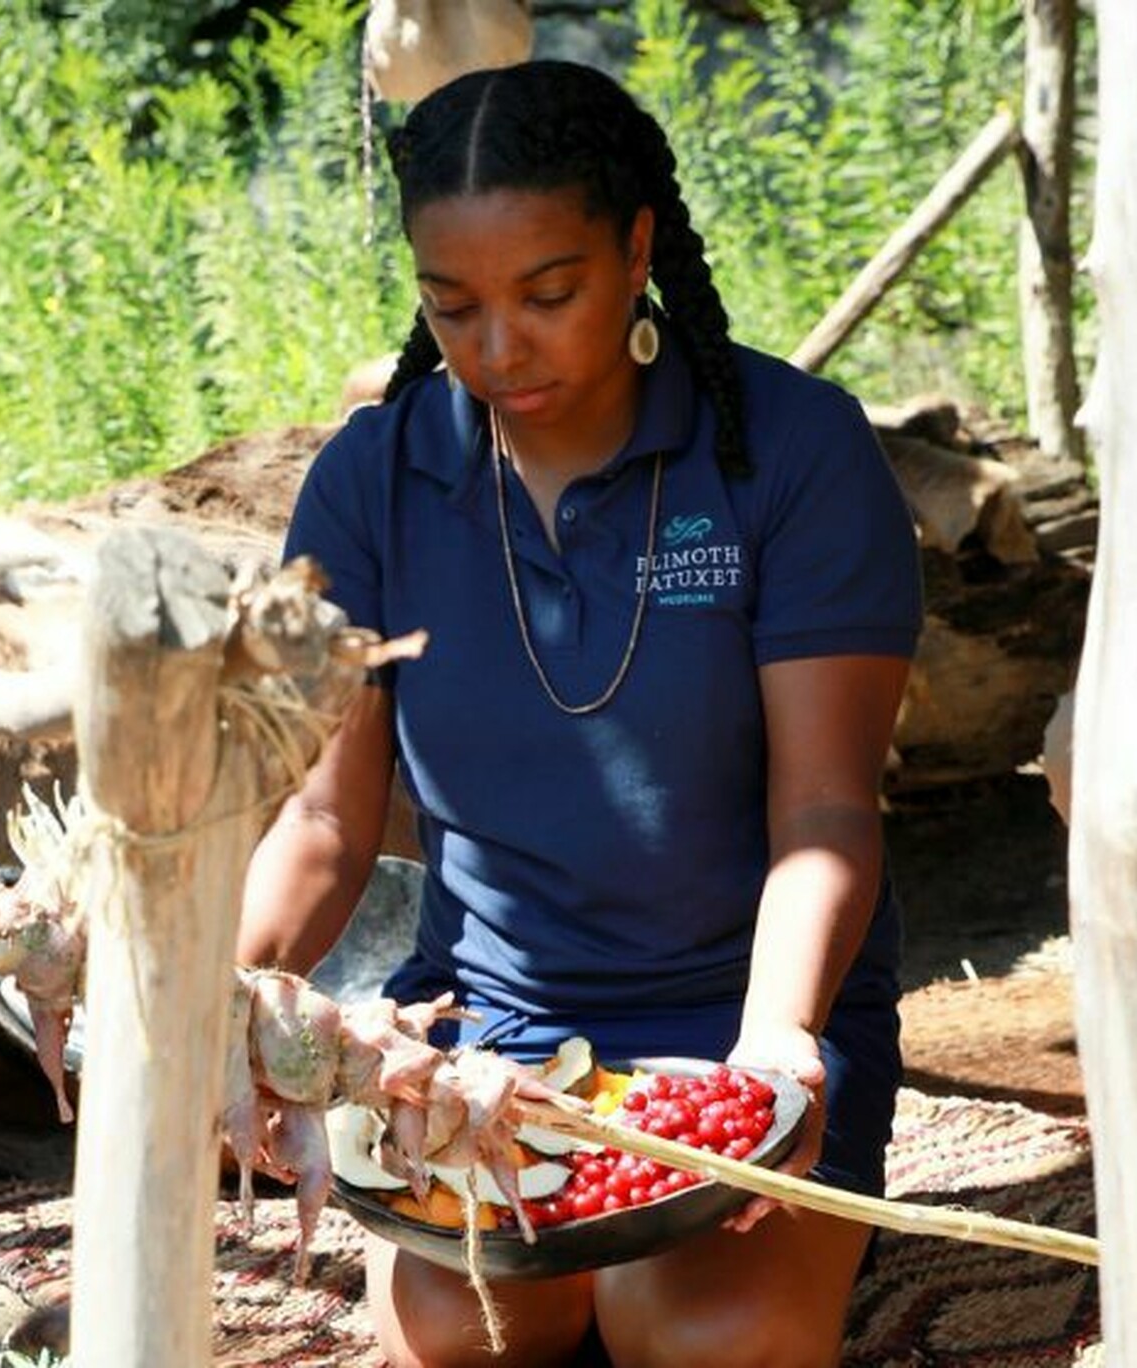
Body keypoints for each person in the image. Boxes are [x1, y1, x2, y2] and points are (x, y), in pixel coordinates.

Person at [236, 58, 923, 1368]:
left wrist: (776, 1054)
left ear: (638, 249)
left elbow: (826, 813)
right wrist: (239, 1004)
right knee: (465, 1330)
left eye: (549, 295)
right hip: (484, 1038)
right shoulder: (374, 480)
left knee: (702, 1332)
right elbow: (325, 815)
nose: (498, 350)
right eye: (454, 307)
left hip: (748, 1026)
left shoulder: (790, 452)